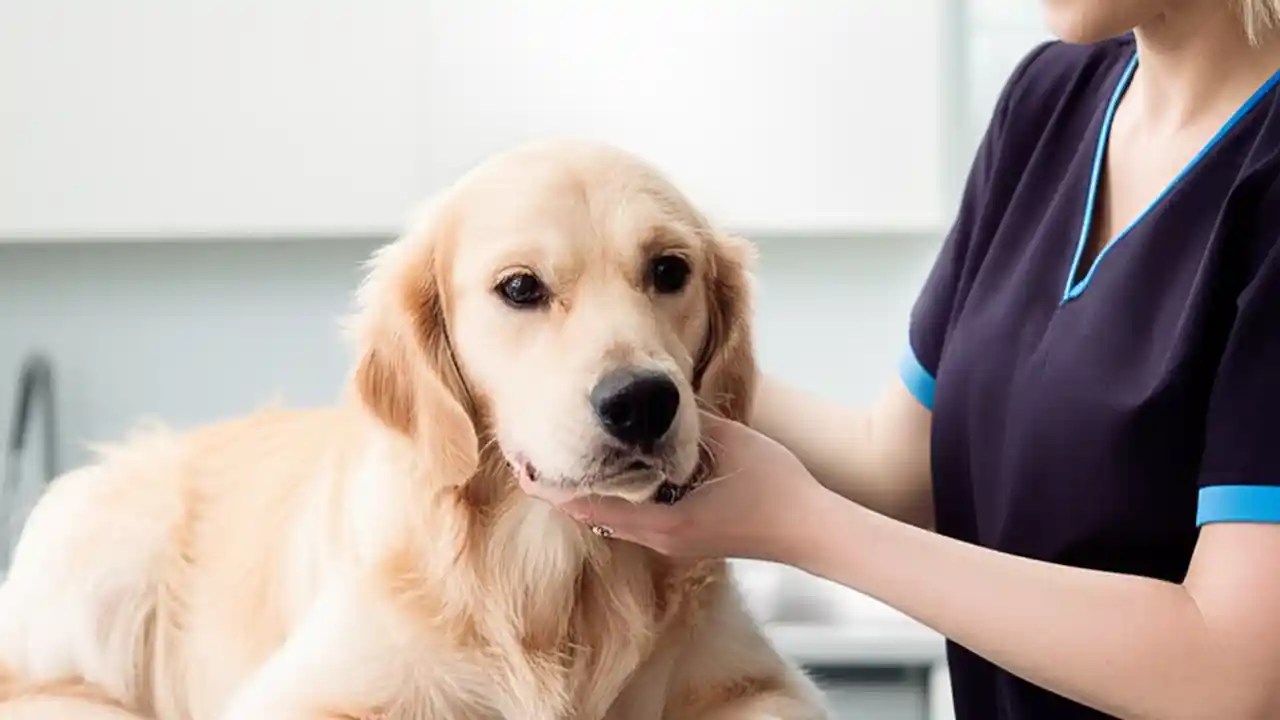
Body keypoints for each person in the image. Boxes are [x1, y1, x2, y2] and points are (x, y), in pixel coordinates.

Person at [519, 1, 1280, 718]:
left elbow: (1230, 671)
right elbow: (901, 468)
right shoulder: (1051, 101)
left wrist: (804, 528)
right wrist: (639, 362)